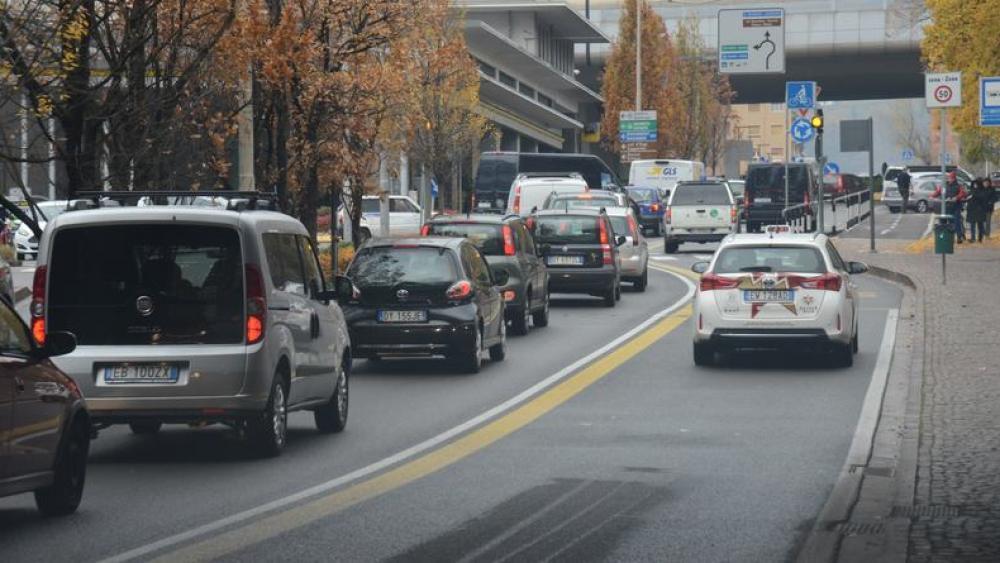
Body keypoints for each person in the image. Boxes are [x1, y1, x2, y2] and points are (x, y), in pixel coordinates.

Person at [932, 171, 969, 243]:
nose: (950, 179)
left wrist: (956, 198)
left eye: (952, 178)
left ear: (954, 179)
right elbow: (938, 192)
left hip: (955, 207)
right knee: (942, 222)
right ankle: (943, 237)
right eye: (949, 178)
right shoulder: (944, 186)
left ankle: (959, 237)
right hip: (946, 207)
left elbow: (962, 193)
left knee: (957, 222)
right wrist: (932, 196)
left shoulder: (959, 186)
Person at [967, 179, 990, 243]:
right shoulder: (972, 190)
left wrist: (973, 196)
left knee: (980, 225)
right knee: (973, 225)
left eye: (976, 184)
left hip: (979, 210)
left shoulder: (982, 191)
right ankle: (973, 238)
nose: (975, 185)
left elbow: (983, 199)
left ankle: (980, 238)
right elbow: (968, 197)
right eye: (974, 184)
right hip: (972, 210)